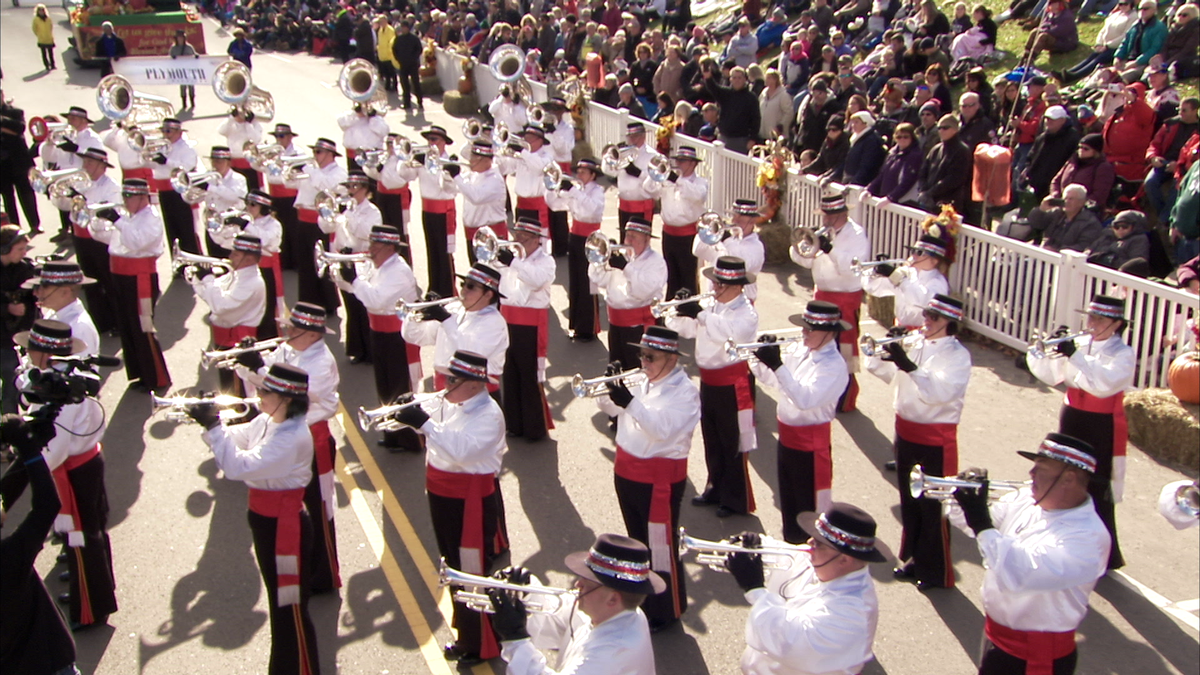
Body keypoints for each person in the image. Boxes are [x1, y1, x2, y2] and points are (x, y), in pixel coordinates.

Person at [190, 363, 320, 674]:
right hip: (265, 521)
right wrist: (213, 422)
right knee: (281, 605)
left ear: (286, 398)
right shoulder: (267, 421)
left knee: (290, 607)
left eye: (264, 391)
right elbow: (233, 440)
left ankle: (300, 668)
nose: (257, 395)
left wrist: (213, 427)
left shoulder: (292, 437)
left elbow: (238, 467)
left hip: (283, 527)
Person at [385, 350, 510, 667]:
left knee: (470, 570)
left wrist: (424, 424)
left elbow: (461, 451)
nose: (444, 383)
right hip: (442, 494)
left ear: (473, 384)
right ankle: (466, 633)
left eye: (452, 379)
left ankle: (482, 642)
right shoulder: (450, 401)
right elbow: (434, 433)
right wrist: (410, 411)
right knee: (453, 566)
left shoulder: (489, 415)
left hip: (468, 500)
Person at [951, 433, 1110, 675]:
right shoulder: (1027, 498)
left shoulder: (1087, 537)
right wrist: (963, 494)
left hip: (1034, 656)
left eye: (1041, 468)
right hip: (997, 636)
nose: (1031, 474)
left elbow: (1018, 574)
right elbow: (970, 522)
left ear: (1068, 478)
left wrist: (981, 522)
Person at [5, 318, 116, 630]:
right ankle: (97, 587)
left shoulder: (63, 390)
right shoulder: (51, 378)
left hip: (76, 466)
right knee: (84, 535)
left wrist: (29, 464)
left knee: (84, 537)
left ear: (43, 354)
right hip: (78, 463)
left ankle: (91, 608)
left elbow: (56, 445)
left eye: (30, 350)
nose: (26, 354)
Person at [590, 327, 700, 632]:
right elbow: (613, 409)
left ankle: (666, 610)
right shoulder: (643, 380)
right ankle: (642, 603)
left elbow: (662, 429)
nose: (643, 361)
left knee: (660, 548)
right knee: (637, 544)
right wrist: (610, 388)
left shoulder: (686, 392)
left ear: (671, 358)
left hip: (658, 481)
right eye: (641, 354)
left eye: (650, 356)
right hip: (627, 472)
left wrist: (630, 401)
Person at [866, 294, 972, 590]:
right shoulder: (917, 343)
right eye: (926, 314)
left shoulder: (957, 356)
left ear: (950, 323)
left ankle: (937, 572)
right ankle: (915, 559)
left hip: (934, 439)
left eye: (933, 317)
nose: (926, 320)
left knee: (934, 508)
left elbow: (940, 393)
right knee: (910, 503)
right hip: (906, 432)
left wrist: (910, 366)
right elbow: (882, 372)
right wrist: (883, 351)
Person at [236, 302, 343, 595]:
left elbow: (294, 394)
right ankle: (303, 570)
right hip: (288, 433)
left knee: (319, 509)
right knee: (295, 509)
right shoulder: (291, 349)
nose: (287, 332)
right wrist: (249, 362)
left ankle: (323, 575)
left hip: (313, 438)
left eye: (294, 329)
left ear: (313, 334)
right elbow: (268, 384)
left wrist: (259, 367)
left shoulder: (320, 362)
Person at [1026, 295, 1134, 570]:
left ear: (1117, 324)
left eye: (1099, 319)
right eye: (1090, 317)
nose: (1092, 323)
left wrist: (1075, 355)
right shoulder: (1080, 344)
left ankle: (1103, 552)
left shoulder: (1123, 353)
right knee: (1063, 474)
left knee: (1096, 482)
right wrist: (1044, 352)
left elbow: (1104, 383)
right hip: (1073, 415)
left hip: (1100, 422)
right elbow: (1053, 377)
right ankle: (1063, 538)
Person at [725, 503, 890, 674]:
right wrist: (759, 545)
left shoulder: (853, 613)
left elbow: (791, 643)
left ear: (845, 560)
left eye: (819, 543)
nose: (809, 543)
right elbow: (793, 557)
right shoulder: (830, 564)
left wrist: (755, 589)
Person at [750, 302, 850, 543]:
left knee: (811, 510)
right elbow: (774, 382)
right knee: (790, 505)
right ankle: (792, 550)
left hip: (810, 448)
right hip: (788, 440)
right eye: (804, 328)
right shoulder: (801, 351)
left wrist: (778, 364)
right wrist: (759, 358)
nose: (804, 333)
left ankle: (811, 559)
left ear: (830, 332)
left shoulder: (834, 366)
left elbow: (805, 400)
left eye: (810, 330)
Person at [667, 256, 759, 517]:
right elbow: (684, 329)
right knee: (712, 439)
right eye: (714, 282)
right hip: (708, 381)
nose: (714, 288)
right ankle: (715, 487)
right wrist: (678, 306)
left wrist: (701, 313)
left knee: (734, 444)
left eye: (720, 284)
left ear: (738, 286)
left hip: (733, 384)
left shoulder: (746, 313)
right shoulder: (713, 306)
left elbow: (728, 334)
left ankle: (735, 499)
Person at [490, 534, 660, 674]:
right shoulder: (609, 612)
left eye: (586, 583)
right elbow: (556, 619)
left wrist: (516, 638)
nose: (577, 585)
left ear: (613, 599)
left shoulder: (613, 651)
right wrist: (528, 590)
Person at [0, 411, 79, 674]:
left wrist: (28, 455)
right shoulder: (8, 558)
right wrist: (28, 448)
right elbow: (47, 506)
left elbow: (4, 497)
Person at [333, 225, 421, 452]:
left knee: (401, 387)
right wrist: (344, 274)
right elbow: (357, 290)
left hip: (397, 335)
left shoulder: (398, 271)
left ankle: (410, 438)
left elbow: (376, 299)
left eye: (375, 245)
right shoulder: (378, 267)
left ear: (390, 247)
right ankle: (392, 433)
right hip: (379, 332)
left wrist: (355, 280)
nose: (370, 249)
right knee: (385, 386)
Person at [791, 185, 871, 413]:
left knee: (844, 348)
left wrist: (829, 248)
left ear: (842, 215)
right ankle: (819, 390)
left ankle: (845, 398)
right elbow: (803, 261)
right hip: (822, 294)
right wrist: (803, 246)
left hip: (846, 297)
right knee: (818, 344)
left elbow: (851, 267)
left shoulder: (856, 234)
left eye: (830, 216)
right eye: (824, 215)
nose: (825, 220)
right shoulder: (821, 232)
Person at [88, 179, 171, 391]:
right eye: (124, 196)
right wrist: (96, 224)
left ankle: (156, 377)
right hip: (120, 274)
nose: (125, 201)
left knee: (142, 326)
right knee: (126, 324)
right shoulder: (128, 217)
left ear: (143, 197)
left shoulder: (151, 218)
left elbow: (137, 242)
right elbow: (112, 240)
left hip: (139, 277)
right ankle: (139, 373)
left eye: (129, 197)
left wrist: (117, 220)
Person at [403, 263, 508, 394]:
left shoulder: (495, 322)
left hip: (477, 392)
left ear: (488, 294)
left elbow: (471, 353)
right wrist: (416, 315)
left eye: (471, 286)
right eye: (463, 284)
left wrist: (446, 320)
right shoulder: (453, 309)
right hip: (443, 387)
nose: (464, 290)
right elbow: (417, 337)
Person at [495, 218, 555, 442]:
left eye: (523, 237)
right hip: (508, 319)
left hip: (531, 323)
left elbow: (536, 280)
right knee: (510, 372)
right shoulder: (512, 258)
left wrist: (514, 263)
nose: (517, 240)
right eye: (516, 235)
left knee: (530, 375)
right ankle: (514, 424)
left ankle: (534, 427)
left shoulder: (546, 262)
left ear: (537, 240)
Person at [590, 216, 667, 373]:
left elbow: (644, 291)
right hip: (615, 325)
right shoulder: (621, 255)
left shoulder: (656, 262)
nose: (628, 240)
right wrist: (601, 262)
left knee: (637, 373)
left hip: (638, 328)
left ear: (646, 240)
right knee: (616, 371)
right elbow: (598, 279)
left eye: (634, 237)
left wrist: (626, 268)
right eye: (627, 235)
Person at [191, 234, 266, 394]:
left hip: (236, 340)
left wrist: (208, 279)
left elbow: (222, 307)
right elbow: (211, 297)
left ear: (250, 258)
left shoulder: (252, 282)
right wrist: (199, 279)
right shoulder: (236, 274)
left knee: (237, 390)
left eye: (236, 254)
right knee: (227, 386)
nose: (230, 256)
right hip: (224, 337)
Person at [58, 147, 121, 333]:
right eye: (84, 162)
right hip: (80, 236)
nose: (85, 166)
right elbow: (62, 205)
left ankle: (117, 321)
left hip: (99, 240)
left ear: (102, 166)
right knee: (89, 282)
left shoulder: (112, 187)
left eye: (90, 162)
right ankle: (99, 322)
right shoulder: (80, 183)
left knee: (108, 281)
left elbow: (109, 214)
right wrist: (63, 196)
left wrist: (83, 201)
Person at [547, 157, 605, 341]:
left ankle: (590, 328)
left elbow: (592, 210)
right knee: (576, 282)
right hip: (575, 237)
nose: (578, 174)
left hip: (592, 239)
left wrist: (573, 191)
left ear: (592, 175)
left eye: (583, 172)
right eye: (577, 171)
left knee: (589, 283)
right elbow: (555, 206)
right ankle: (577, 326)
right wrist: (552, 188)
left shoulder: (598, 191)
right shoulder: (576, 190)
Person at [399, 126, 459, 297]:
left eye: (435, 140)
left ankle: (448, 290)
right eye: (429, 140)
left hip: (444, 211)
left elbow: (449, 188)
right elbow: (405, 175)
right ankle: (434, 288)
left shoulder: (449, 161)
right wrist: (407, 159)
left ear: (443, 143)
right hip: (427, 210)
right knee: (431, 250)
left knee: (444, 252)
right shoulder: (423, 159)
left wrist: (440, 167)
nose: (431, 143)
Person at [642, 146, 707, 301]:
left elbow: (698, 196)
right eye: (677, 160)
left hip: (688, 236)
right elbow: (648, 189)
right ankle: (671, 310)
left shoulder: (700, 182)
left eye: (683, 161)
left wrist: (677, 180)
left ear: (693, 164)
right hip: (669, 234)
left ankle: (689, 310)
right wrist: (655, 173)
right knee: (671, 274)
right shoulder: (667, 180)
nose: (679, 163)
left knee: (688, 276)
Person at [328, 171, 378, 364]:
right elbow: (328, 228)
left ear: (365, 190)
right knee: (351, 307)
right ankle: (357, 349)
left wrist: (349, 214)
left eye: (355, 187)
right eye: (348, 187)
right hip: (345, 259)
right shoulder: (347, 210)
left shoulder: (373, 211)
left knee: (363, 307)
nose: (350, 190)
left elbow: (365, 232)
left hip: (362, 261)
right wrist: (332, 214)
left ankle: (371, 350)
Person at [292, 138, 347, 312]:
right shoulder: (312, 171)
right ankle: (308, 301)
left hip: (321, 222)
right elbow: (289, 183)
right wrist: (292, 171)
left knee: (321, 263)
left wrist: (308, 170)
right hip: (303, 219)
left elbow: (327, 185)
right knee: (306, 264)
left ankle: (328, 303)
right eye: (314, 152)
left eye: (318, 152)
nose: (315, 156)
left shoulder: (339, 173)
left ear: (330, 154)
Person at [863, 235, 952, 332]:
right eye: (912, 251)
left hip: (923, 334)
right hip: (900, 329)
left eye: (919, 253)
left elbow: (921, 301)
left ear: (934, 260)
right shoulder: (908, 273)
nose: (913, 256)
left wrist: (899, 278)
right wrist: (876, 272)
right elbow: (875, 289)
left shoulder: (938, 282)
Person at [693, 199, 765, 302]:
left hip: (739, 304)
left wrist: (720, 241)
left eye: (740, 220)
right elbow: (698, 250)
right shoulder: (728, 241)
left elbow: (736, 267)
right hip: (714, 299)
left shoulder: (756, 247)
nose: (734, 222)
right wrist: (708, 231)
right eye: (734, 217)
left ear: (752, 222)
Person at [148, 118, 201, 256]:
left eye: (168, 131)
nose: (165, 134)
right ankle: (177, 263)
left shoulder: (186, 148)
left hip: (179, 192)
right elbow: (155, 168)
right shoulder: (163, 147)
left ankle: (193, 262)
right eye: (163, 131)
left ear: (178, 132)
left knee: (185, 230)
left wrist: (167, 161)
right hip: (164, 192)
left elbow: (187, 166)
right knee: (171, 230)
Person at [25, 261, 100, 356]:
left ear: (65, 292)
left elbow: (79, 369)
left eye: (44, 287)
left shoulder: (79, 328)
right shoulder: (52, 314)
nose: (35, 293)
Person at [453, 141, 508, 264]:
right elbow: (449, 189)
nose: (470, 161)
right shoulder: (472, 175)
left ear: (486, 160)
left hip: (490, 234)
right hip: (472, 233)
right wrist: (448, 175)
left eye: (474, 158)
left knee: (492, 274)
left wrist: (456, 176)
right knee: (476, 271)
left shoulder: (494, 180)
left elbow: (476, 197)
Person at [497, 125, 554, 242]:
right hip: (521, 204)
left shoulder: (546, 156)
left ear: (540, 141)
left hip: (537, 206)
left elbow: (539, 168)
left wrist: (522, 152)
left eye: (529, 138)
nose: (526, 141)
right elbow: (504, 169)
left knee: (539, 241)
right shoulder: (521, 156)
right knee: (521, 240)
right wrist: (501, 153)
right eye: (525, 138)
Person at [262, 124, 302, 270]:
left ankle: (296, 262)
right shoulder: (271, 152)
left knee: (293, 229)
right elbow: (266, 172)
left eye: (282, 136)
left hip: (291, 196)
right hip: (275, 196)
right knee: (279, 229)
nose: (278, 140)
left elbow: (291, 177)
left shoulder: (297, 153)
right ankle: (284, 262)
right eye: (276, 136)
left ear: (290, 137)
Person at [612, 123, 662, 238]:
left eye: (635, 136)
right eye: (629, 137)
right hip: (624, 204)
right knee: (624, 239)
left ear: (643, 136)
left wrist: (638, 173)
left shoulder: (652, 155)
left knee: (640, 239)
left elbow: (656, 182)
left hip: (642, 205)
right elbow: (608, 171)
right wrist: (614, 160)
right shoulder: (622, 152)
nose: (632, 140)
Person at [1023, 106, 1082, 200]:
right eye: (1046, 119)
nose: (1048, 122)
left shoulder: (1072, 138)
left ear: (1062, 120)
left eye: (1052, 119)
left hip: (1055, 186)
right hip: (1037, 184)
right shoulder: (1042, 137)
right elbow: (1031, 156)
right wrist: (1028, 171)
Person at [201, 146, 249, 258]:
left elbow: (235, 197)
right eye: (213, 161)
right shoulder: (209, 177)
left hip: (229, 227)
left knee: (231, 261)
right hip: (212, 225)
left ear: (228, 163)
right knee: (214, 261)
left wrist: (210, 188)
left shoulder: (238, 179)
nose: (215, 165)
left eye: (219, 162)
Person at [702, 65, 761, 154]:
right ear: (730, 79)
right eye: (734, 78)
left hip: (741, 140)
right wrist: (708, 77)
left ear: (745, 79)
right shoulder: (726, 94)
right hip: (723, 137)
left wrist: (752, 139)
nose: (737, 80)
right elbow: (714, 88)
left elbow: (756, 120)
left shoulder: (751, 97)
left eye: (739, 78)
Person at [1049, 135, 1117, 207]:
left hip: (1084, 211)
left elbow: (1099, 195)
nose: (1081, 150)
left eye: (1086, 149)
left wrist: (1076, 205)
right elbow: (1056, 181)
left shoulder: (1103, 167)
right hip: (1061, 205)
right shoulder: (1072, 161)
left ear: (1095, 152)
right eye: (1080, 147)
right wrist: (1055, 195)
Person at [867, 123, 924, 205]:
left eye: (906, 137)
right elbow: (882, 175)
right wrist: (869, 189)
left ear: (912, 138)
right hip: (887, 198)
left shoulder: (915, 155)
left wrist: (891, 197)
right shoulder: (892, 153)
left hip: (905, 201)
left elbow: (908, 181)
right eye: (899, 137)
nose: (902, 139)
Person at [337, 100, 389, 174]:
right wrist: (356, 113)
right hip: (353, 156)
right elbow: (341, 122)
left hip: (372, 158)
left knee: (371, 183)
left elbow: (383, 131)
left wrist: (372, 117)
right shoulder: (351, 117)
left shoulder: (377, 119)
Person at [217, 108, 264, 190]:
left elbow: (256, 139)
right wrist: (231, 118)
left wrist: (248, 123)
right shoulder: (230, 123)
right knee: (234, 189)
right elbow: (221, 131)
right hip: (233, 162)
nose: (240, 115)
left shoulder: (254, 124)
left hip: (249, 163)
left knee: (252, 189)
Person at [169, 30, 198, 109]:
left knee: (191, 86)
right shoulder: (173, 48)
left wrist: (196, 56)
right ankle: (184, 103)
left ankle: (192, 102)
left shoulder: (189, 47)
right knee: (182, 86)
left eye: (181, 38)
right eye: (179, 38)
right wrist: (173, 58)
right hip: (180, 71)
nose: (180, 39)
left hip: (189, 70)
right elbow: (169, 58)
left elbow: (194, 54)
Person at [32, 4, 55, 71]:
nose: (42, 12)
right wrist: (39, 35)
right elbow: (34, 29)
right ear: (37, 12)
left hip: (49, 38)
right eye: (40, 11)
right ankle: (47, 65)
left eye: (43, 10)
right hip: (42, 39)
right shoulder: (36, 19)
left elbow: (51, 27)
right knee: (44, 53)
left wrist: (50, 34)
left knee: (51, 53)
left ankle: (53, 65)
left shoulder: (48, 19)